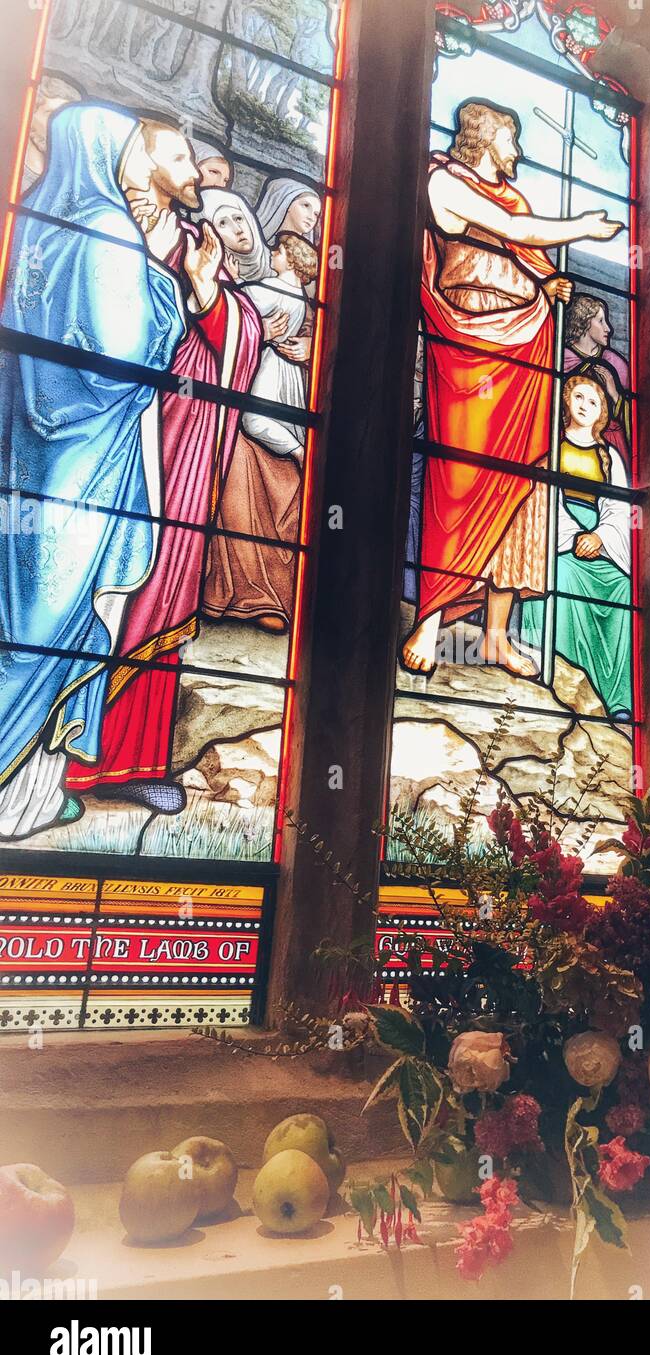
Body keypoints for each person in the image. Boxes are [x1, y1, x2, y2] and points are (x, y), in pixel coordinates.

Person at [64, 119, 263, 814]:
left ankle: (130, 758)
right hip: (89, 433)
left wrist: (206, 293)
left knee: (150, 590)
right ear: (132, 159)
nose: (195, 169)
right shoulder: (90, 224)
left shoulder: (193, 245)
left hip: (173, 443)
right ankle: (42, 756)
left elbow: (241, 339)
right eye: (176, 154)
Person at [0, 104, 186, 838]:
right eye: (138, 148)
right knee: (57, 619)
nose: (143, 164)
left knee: (25, 617)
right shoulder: (108, 230)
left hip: (34, 456)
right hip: (86, 463)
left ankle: (29, 793)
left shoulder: (44, 227)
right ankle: (19, 794)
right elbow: (121, 357)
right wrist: (166, 289)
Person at [400, 99, 621, 677]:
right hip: (471, 341)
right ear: (483, 138)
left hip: (526, 343)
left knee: (522, 485)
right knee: (462, 477)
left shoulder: (513, 196)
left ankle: (496, 633)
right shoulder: (446, 184)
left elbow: (525, 253)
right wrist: (582, 227)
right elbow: (515, 232)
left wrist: (550, 279)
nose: (517, 152)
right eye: (510, 138)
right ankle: (432, 617)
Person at [204, 232, 318, 632]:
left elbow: (235, 312)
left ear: (289, 257)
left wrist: (228, 284)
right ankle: (245, 591)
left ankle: (297, 449)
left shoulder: (268, 288)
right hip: (286, 379)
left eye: (277, 250)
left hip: (267, 375)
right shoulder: (302, 297)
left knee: (255, 422)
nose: (271, 254)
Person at [521, 377, 631, 718]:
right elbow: (541, 496)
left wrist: (599, 536)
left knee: (622, 588)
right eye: (579, 396)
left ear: (601, 413)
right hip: (557, 534)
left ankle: (616, 697)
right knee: (560, 574)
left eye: (594, 401)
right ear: (566, 400)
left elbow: (619, 506)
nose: (585, 405)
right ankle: (554, 677)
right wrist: (571, 538)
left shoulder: (608, 455)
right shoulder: (550, 445)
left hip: (598, 538)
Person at [563, 293, 630, 462]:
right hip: (566, 439)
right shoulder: (561, 359)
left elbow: (633, 418)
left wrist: (614, 394)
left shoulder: (616, 363)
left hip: (611, 444)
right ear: (584, 322)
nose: (608, 328)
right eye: (601, 321)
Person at [196, 187, 270, 283]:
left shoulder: (279, 264)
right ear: (210, 233)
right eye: (222, 223)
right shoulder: (208, 278)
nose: (238, 230)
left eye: (239, 218)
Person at [255, 177, 322, 243]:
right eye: (306, 205)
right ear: (287, 203)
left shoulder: (308, 252)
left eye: (316, 214)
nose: (311, 218)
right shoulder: (255, 244)